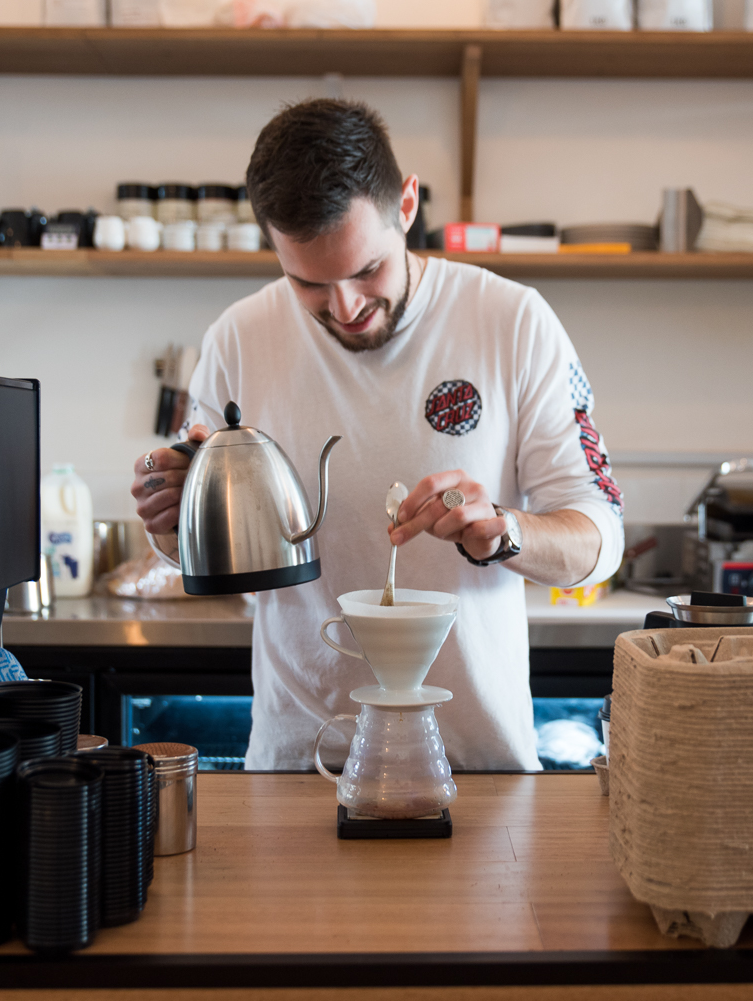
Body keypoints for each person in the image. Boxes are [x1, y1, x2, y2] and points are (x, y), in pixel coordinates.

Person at [132, 99, 623, 770]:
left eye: (367, 270)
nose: (346, 308)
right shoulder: (238, 338)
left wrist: (504, 530)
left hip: (477, 768)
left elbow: (601, 538)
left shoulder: (512, 321)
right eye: (308, 282)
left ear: (408, 205)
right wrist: (167, 515)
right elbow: (187, 550)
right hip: (297, 765)